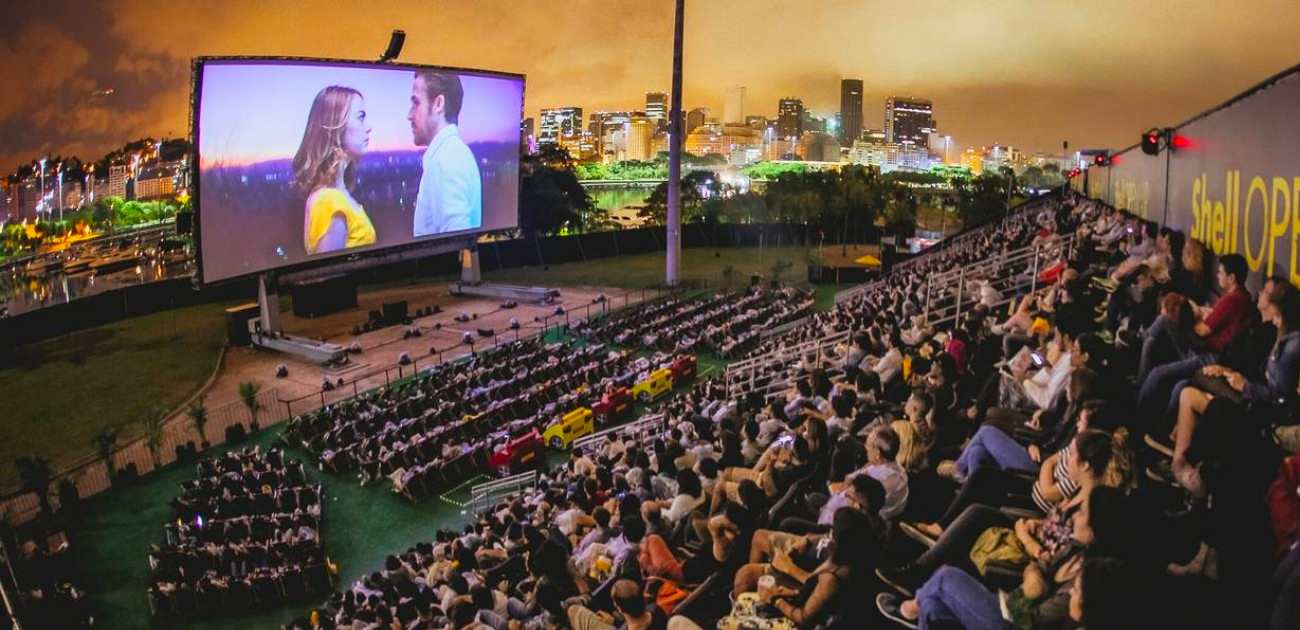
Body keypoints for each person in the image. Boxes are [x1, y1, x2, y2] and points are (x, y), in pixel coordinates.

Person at [292, 85, 376, 254]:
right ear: (336, 125)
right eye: (360, 117)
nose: (369, 127)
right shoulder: (329, 201)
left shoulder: (336, 195)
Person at [409, 70, 483, 236]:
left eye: (416, 103)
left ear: (438, 104)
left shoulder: (448, 160)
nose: (409, 115)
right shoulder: (450, 153)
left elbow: (456, 242)